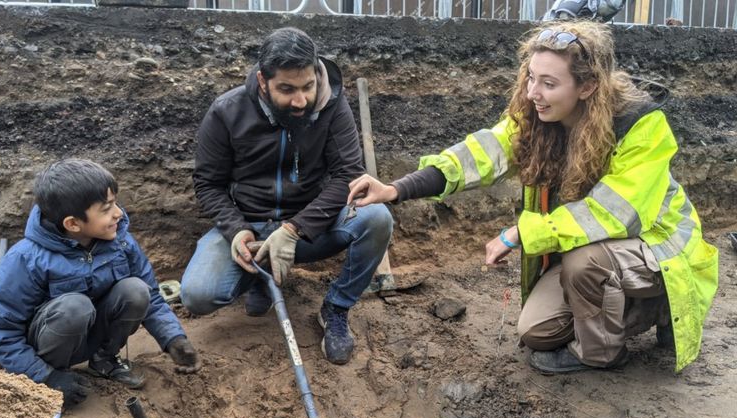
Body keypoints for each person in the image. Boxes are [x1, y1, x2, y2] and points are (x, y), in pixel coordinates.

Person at [347, 21, 718, 374]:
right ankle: (634, 309)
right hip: (594, 249)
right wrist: (397, 189)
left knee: (584, 263)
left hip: (659, 245)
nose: (532, 93)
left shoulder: (641, 126)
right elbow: (480, 154)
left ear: (586, 87)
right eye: (531, 78)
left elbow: (616, 214)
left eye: (549, 83)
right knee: (537, 332)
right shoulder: (541, 118)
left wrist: (520, 233)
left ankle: (621, 339)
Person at [180, 27, 393, 365]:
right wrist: (236, 230)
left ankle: (336, 308)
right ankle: (258, 277)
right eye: (287, 89)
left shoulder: (331, 106)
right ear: (263, 81)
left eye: (307, 86)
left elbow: (348, 177)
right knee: (197, 295)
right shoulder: (227, 111)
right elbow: (208, 183)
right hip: (250, 226)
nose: (300, 100)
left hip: (310, 227)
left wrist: (294, 229)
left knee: (376, 217)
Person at [0, 159, 201, 408]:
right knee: (76, 306)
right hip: (49, 347)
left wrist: (173, 338)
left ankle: (104, 360)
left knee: (135, 290)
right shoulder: (26, 259)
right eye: (106, 208)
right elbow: (0, 332)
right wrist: (45, 376)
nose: (119, 213)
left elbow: (150, 293)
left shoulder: (121, 243)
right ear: (73, 224)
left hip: (91, 334)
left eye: (115, 203)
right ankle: (52, 380)